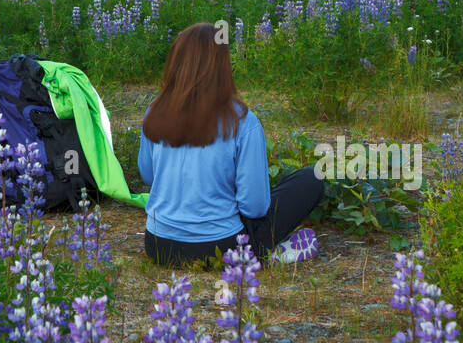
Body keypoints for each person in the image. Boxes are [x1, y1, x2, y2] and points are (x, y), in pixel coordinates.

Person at [138, 22, 324, 267]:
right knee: (312, 178)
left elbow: (148, 175)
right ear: (222, 66)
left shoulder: (155, 111)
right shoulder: (242, 120)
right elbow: (255, 207)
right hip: (220, 248)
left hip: (158, 245)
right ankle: (264, 254)